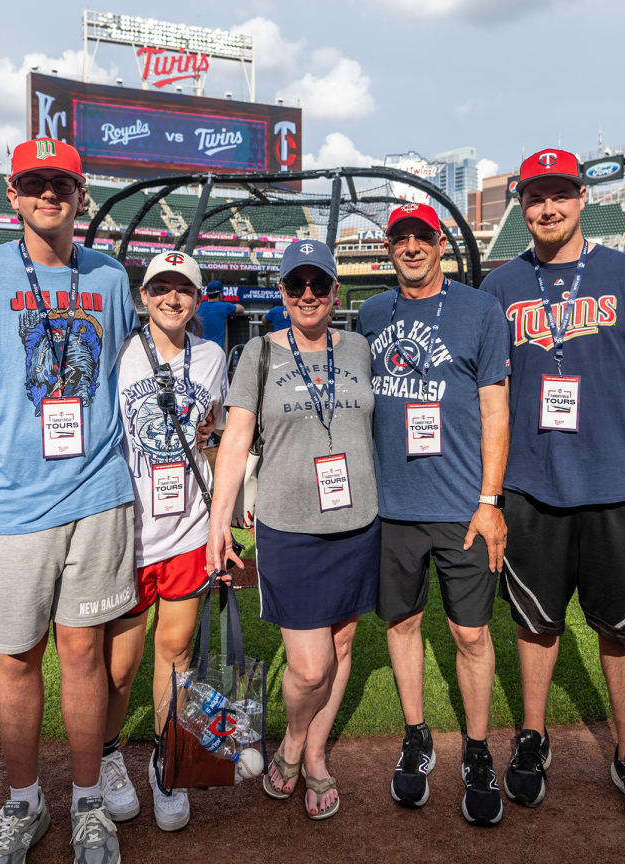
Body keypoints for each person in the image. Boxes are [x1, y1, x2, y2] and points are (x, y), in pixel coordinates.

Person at [0, 137, 136, 864]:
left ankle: (85, 806)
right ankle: (23, 805)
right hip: (9, 496)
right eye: (35, 183)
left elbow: (129, 381)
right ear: (11, 195)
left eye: (63, 183)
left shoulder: (111, 278)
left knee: (84, 655)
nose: (50, 194)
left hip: (100, 492)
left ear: (81, 196)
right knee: (17, 657)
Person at [479, 148, 625, 838]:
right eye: (535, 197)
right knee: (536, 623)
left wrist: (601, 430)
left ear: (582, 197)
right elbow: (492, 390)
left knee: (622, 633)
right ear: (521, 203)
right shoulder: (501, 285)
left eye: (560, 194)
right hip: (533, 487)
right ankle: (533, 737)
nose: (547, 208)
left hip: (616, 486)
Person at [206, 239, 377, 821]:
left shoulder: (357, 347)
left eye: (320, 285)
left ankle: (317, 756)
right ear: (282, 293)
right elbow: (234, 440)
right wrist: (218, 521)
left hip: (356, 522)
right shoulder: (256, 353)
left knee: (343, 645)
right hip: (289, 525)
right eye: (297, 285)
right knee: (308, 666)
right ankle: (293, 742)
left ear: (335, 292)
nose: (309, 295)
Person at [355, 202, 510, 826]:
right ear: (389, 248)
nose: (412, 246)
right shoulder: (370, 314)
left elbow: (496, 411)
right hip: (391, 508)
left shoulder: (479, 310)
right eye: (401, 238)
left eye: (423, 236)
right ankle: (416, 735)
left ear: (440, 243)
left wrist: (490, 500)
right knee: (402, 624)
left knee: (470, 633)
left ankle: (476, 748)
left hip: (461, 507)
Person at [103, 250, 227, 832]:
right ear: (143, 296)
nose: (171, 298)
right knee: (120, 668)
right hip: (127, 533)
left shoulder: (212, 357)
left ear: (197, 299)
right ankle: (106, 757)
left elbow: (217, 430)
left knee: (174, 653)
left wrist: (213, 439)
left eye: (183, 290)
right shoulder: (120, 354)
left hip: (185, 531)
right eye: (161, 289)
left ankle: (163, 761)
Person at [195, 281, 245, 350]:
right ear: (220, 294)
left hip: (198, 349)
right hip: (216, 351)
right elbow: (241, 308)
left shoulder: (199, 306)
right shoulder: (224, 306)